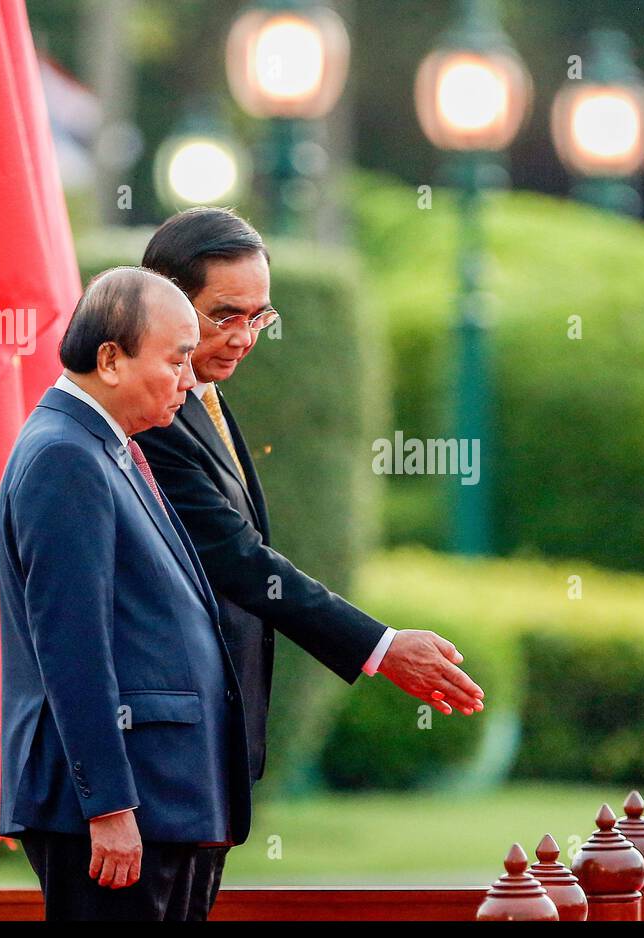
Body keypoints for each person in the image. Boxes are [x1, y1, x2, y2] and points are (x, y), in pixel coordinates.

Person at [134, 207, 485, 790]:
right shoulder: (152, 415)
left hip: (200, 758)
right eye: (225, 316)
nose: (244, 339)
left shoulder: (197, 396)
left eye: (258, 318)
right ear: (166, 304)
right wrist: (381, 646)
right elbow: (238, 560)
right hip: (157, 763)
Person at [0, 266, 247, 920]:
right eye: (177, 359)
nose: (190, 381)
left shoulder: (106, 447)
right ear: (110, 359)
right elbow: (72, 646)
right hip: (119, 812)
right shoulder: (64, 456)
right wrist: (108, 806)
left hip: (164, 803)